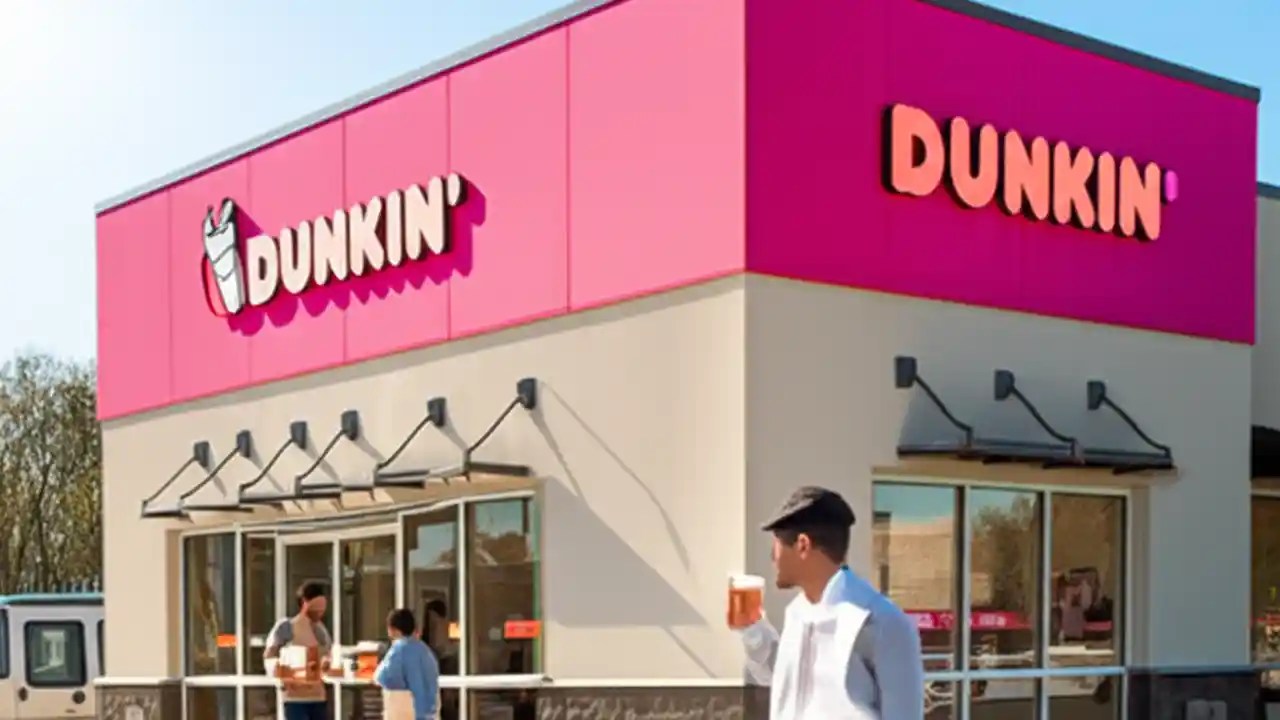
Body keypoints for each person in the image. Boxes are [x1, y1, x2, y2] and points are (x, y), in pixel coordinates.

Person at [730, 486, 924, 719]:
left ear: (803, 545)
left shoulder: (881, 622)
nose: (773, 557)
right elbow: (787, 681)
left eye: (777, 545)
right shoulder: (797, 613)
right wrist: (753, 630)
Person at [264, 581, 333, 720]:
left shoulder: (321, 630)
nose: (320, 611)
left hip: (318, 697)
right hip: (294, 699)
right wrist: (282, 675)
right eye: (316, 606)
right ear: (304, 602)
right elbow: (270, 656)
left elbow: (328, 654)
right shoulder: (286, 627)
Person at [374, 608, 440, 720]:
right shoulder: (426, 651)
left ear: (393, 629)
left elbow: (383, 678)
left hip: (408, 713)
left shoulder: (399, 650)